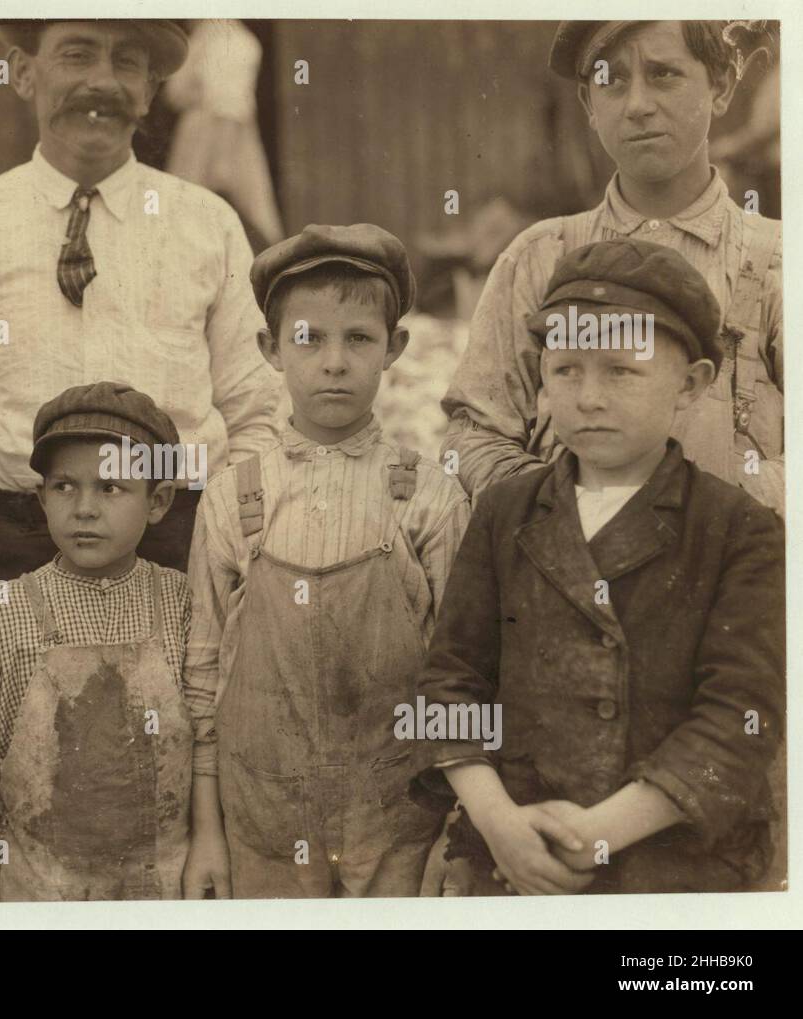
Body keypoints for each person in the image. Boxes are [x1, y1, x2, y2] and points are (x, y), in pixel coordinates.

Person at [412, 240, 784, 895]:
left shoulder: (736, 529)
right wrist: (498, 823)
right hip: (511, 859)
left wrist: (599, 832)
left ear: (691, 384)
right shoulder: (504, 512)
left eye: (619, 371)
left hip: (673, 868)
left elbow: (738, 720)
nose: (587, 397)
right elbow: (451, 684)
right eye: (566, 370)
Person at [0, 20, 279, 582]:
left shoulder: (207, 223)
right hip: (8, 542)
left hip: (176, 540)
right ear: (23, 73)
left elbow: (256, 409)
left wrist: (226, 537)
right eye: (77, 56)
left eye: (126, 62)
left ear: (150, 90)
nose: (102, 81)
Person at [181, 224, 469, 898]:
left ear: (395, 347)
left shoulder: (429, 495)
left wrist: (456, 835)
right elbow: (202, 679)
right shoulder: (233, 497)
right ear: (270, 349)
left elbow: (461, 680)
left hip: (399, 826)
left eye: (359, 338)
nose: (334, 361)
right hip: (263, 830)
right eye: (309, 338)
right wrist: (207, 834)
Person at [442, 21, 782, 515]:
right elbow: (470, 437)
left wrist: (696, 516)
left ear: (721, 87)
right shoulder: (540, 256)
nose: (638, 103)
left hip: (728, 573)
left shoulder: (774, 261)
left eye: (664, 74)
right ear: (589, 107)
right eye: (611, 79)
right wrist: (568, 509)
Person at [0, 382, 194, 901]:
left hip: (162, 885)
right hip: (41, 887)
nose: (84, 508)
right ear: (40, 498)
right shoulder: (4, 611)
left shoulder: (181, 603)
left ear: (158, 501)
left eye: (111, 488)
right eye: (65, 486)